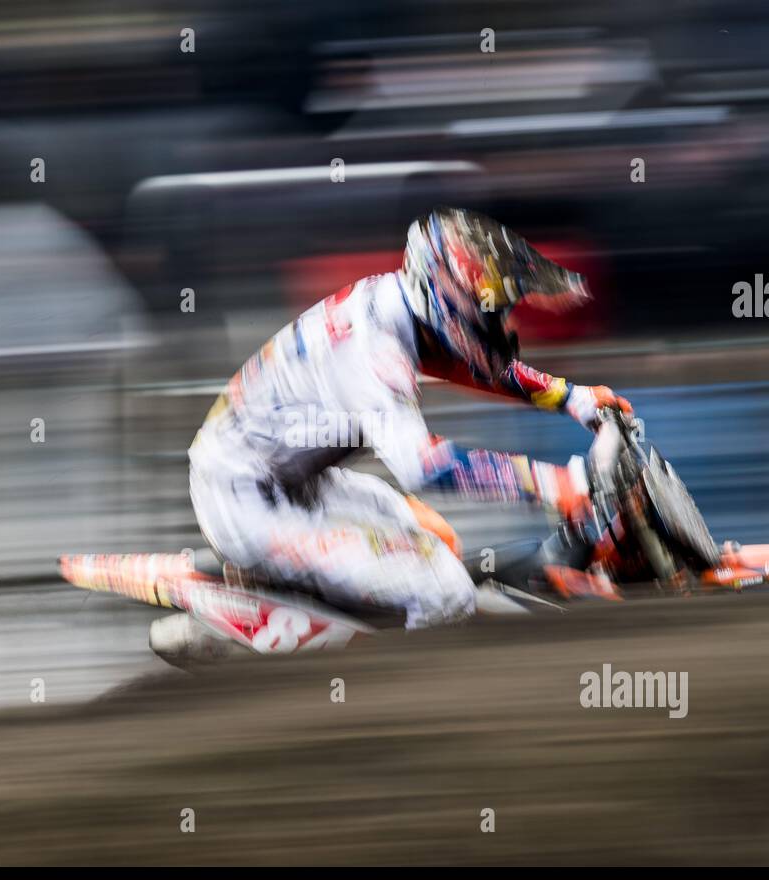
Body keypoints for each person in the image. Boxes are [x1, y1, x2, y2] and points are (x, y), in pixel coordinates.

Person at [152, 208, 632, 660]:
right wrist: (552, 486)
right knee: (444, 592)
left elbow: (463, 364)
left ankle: (324, 609)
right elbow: (422, 466)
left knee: (436, 538)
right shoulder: (374, 345)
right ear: (453, 298)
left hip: (285, 480)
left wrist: (571, 397)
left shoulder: (397, 303)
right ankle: (393, 699)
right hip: (247, 503)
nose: (505, 320)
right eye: (496, 308)